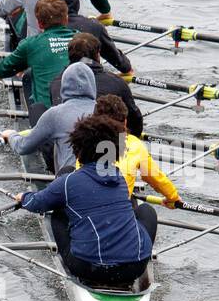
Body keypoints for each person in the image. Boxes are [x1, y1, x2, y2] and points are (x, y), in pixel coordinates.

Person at [15, 115, 158, 287]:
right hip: (134, 267)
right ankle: (134, 273)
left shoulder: (68, 181)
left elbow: (36, 204)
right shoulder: (119, 177)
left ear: (77, 148)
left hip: (89, 269)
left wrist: (23, 198)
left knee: (58, 213)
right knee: (147, 211)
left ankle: (80, 270)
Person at [0, 0, 76, 112]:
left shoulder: (31, 44)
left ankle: (32, 116)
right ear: (66, 19)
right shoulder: (82, 39)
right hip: (80, 111)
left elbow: (4, 68)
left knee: (28, 75)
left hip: (49, 114)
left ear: (39, 24)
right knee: (29, 74)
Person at [1, 62, 95, 173]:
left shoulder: (55, 114)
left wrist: (11, 135)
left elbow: (23, 147)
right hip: (104, 179)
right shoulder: (105, 111)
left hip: (69, 181)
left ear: (64, 85)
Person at [48, 33, 143, 137]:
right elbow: (135, 121)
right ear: (98, 54)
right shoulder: (116, 82)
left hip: (68, 143)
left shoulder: (56, 82)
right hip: (106, 147)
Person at [93, 95, 180, 205]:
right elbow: (155, 177)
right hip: (117, 208)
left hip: (84, 204)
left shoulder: (83, 139)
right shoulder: (134, 143)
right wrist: (173, 197)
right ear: (125, 122)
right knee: (146, 211)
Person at [52, 0, 132, 76]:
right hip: (85, 81)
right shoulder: (93, 26)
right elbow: (120, 63)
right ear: (77, 1)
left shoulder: (44, 26)